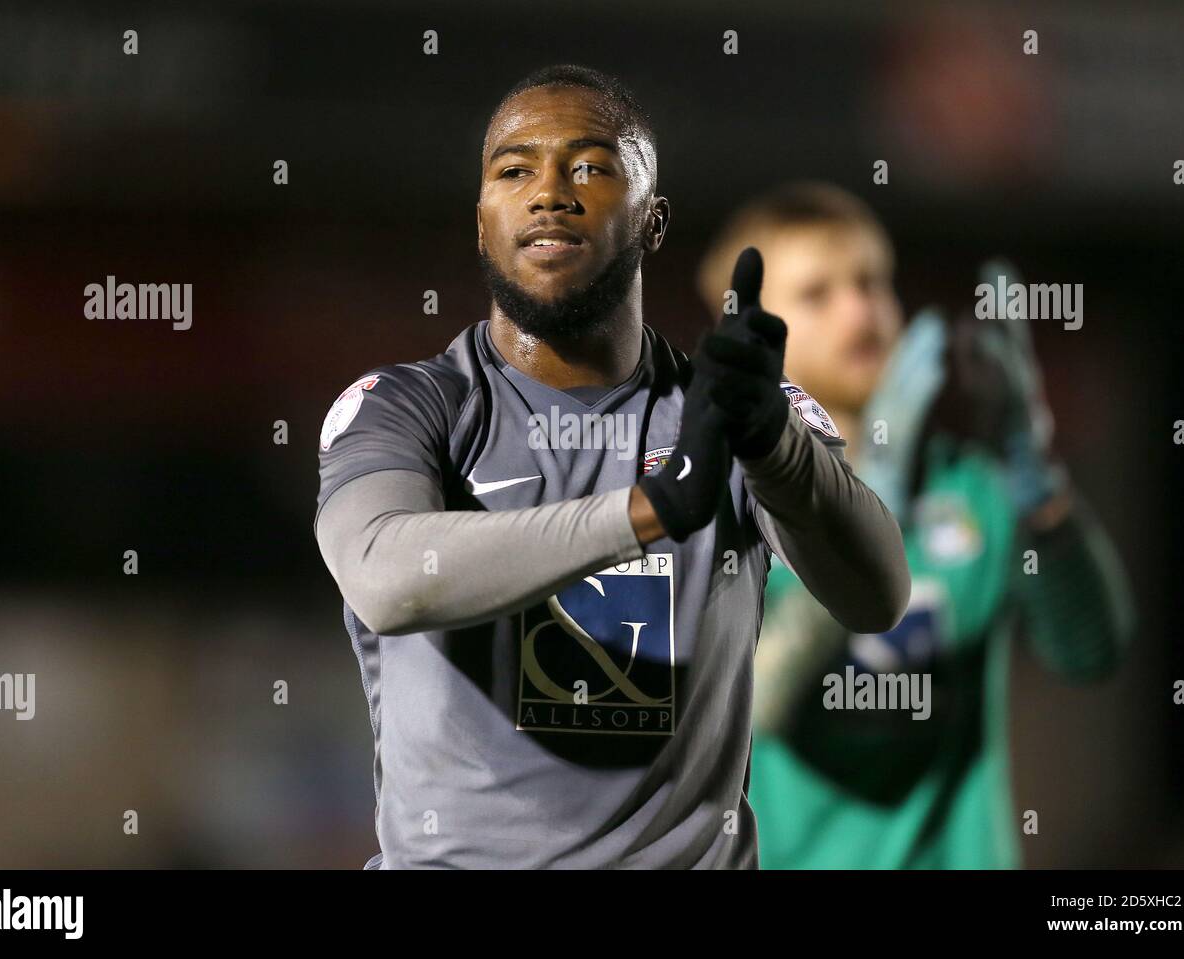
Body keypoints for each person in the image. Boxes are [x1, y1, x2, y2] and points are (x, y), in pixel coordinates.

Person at [313, 69, 909, 869]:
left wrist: (773, 444)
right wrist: (650, 508)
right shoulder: (406, 407)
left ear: (652, 220)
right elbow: (387, 579)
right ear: (483, 224)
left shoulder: (735, 410)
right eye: (514, 170)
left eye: (591, 166)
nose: (548, 194)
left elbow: (876, 593)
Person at [696, 182, 1135, 868]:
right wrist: (867, 512)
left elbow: (1093, 652)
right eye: (817, 294)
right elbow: (751, 710)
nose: (859, 310)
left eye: (872, 282)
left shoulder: (969, 489)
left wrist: (1035, 479)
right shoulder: (716, 507)